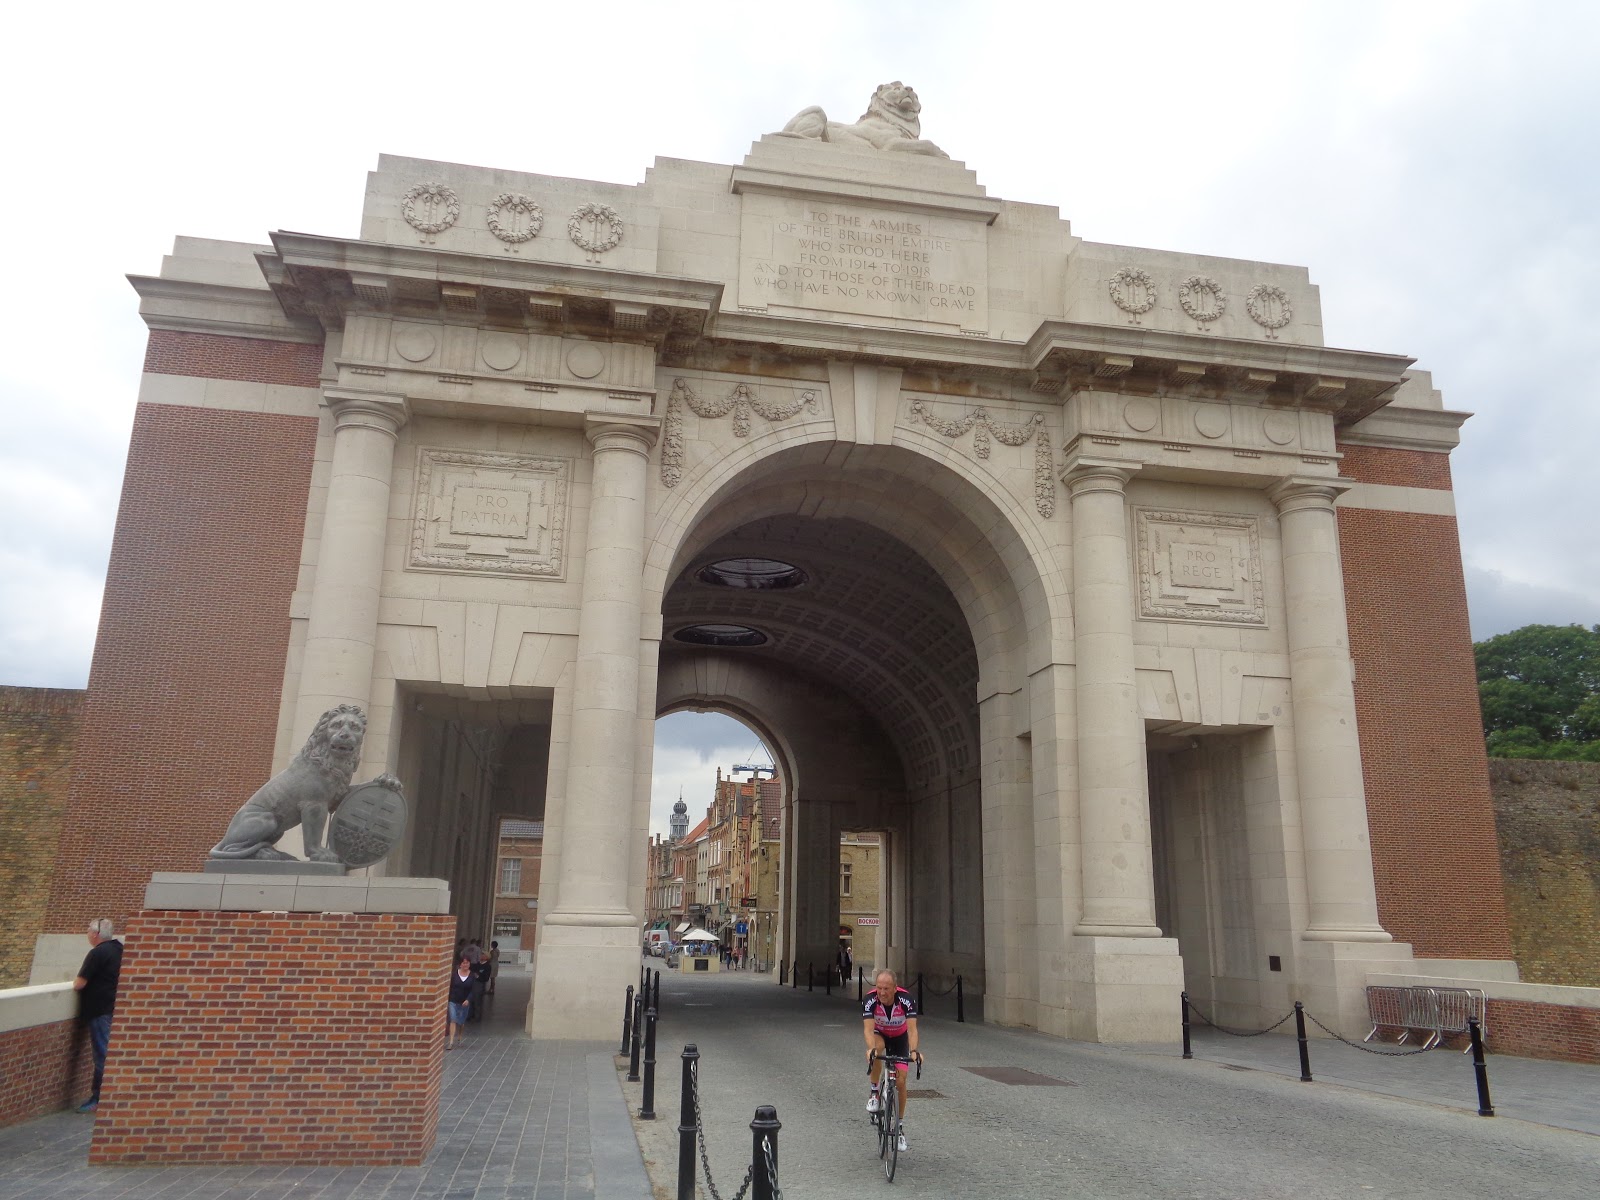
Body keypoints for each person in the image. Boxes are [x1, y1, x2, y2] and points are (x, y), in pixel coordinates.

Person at [862, 968, 921, 1152]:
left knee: (901, 1081)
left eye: (886, 988)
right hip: (880, 1034)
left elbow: (912, 1030)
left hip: (900, 1037)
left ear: (896, 988)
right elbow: (868, 1030)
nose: (882, 992)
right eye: (879, 988)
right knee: (877, 1050)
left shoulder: (906, 1000)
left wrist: (914, 1051)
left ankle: (899, 1127)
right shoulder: (870, 1000)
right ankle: (874, 1093)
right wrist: (871, 1048)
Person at [73, 918, 123, 1113]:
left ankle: (99, 1098)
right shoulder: (119, 950)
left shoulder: (97, 953)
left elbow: (79, 983)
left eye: (88, 931)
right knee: (106, 1053)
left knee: (102, 1054)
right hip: (112, 1007)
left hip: (99, 1010)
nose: (88, 935)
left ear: (95, 934)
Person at [447, 956, 473, 1048]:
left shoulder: (472, 976)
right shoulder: (454, 975)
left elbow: (473, 990)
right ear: (460, 964)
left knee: (461, 1021)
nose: (465, 965)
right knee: (453, 1019)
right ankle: (451, 1041)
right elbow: (450, 986)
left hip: (464, 1001)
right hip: (453, 1000)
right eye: (463, 963)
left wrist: (468, 999)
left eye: (467, 963)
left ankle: (460, 1035)